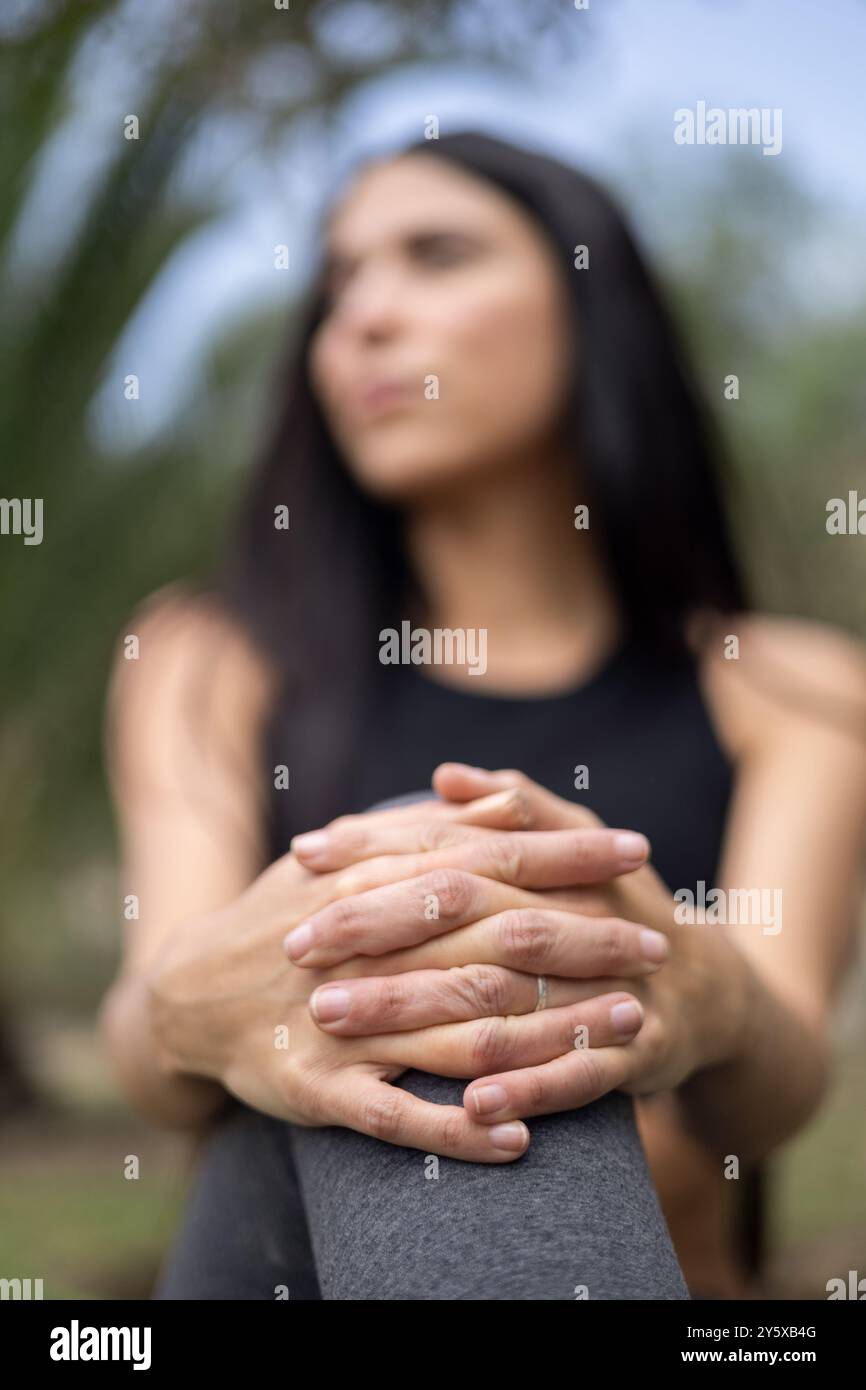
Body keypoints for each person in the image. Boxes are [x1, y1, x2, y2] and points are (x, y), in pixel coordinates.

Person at [100, 132, 866, 1300]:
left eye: (435, 255)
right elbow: (147, 1035)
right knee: (402, 908)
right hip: (283, 1261)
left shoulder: (782, 689)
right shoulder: (209, 658)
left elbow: (783, 1079)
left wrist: (686, 979)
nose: (361, 317)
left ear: (590, 307)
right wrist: (229, 990)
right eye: (338, 281)